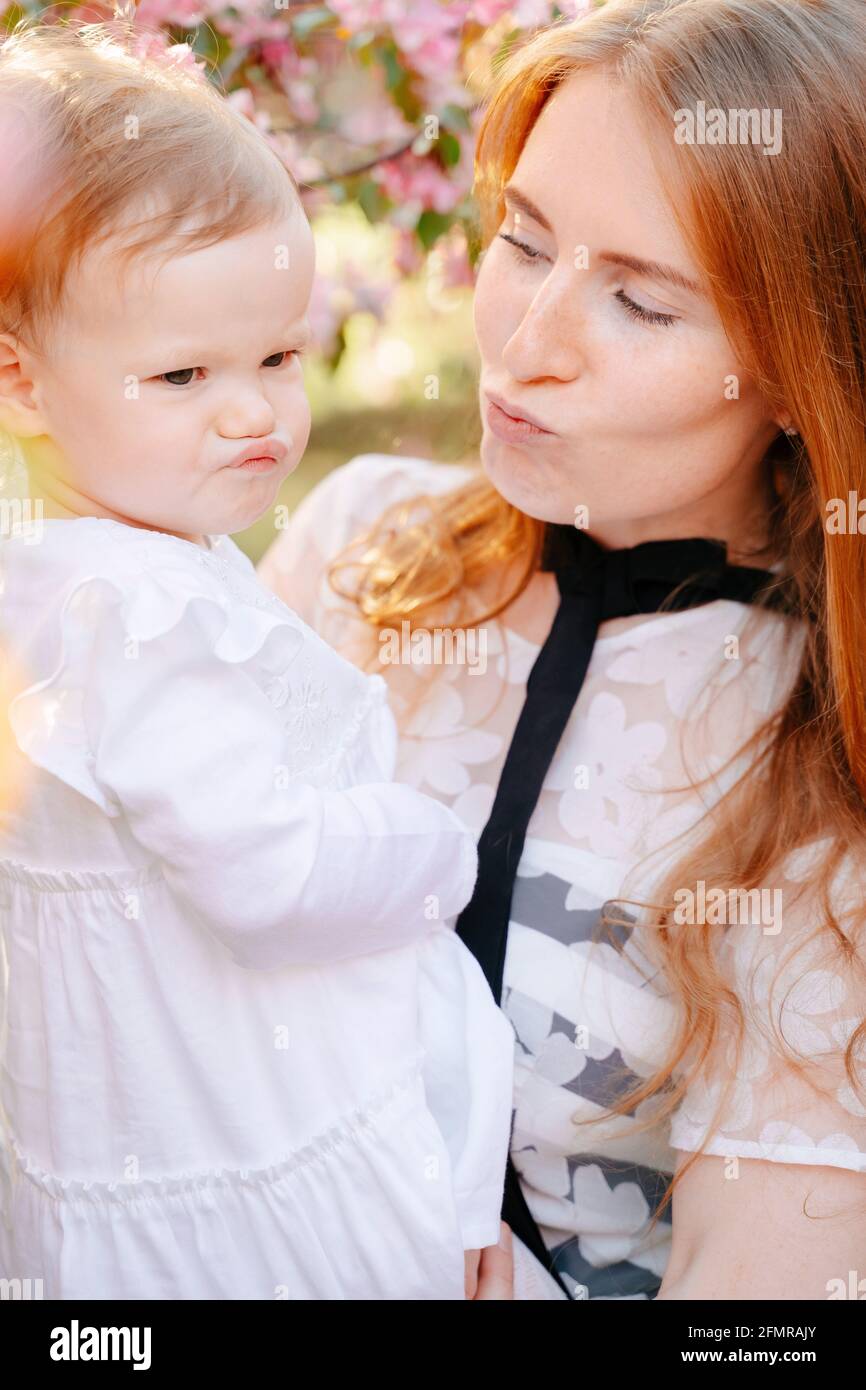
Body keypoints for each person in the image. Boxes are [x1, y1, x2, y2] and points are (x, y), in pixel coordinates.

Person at [259, 0, 866, 1299]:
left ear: (801, 367)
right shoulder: (354, 545)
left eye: (641, 304)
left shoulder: (819, 748)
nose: (525, 347)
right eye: (521, 243)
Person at [0, 17, 516, 1300]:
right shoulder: (134, 615)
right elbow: (269, 876)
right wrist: (434, 844)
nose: (255, 414)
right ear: (19, 381)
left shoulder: (91, 566)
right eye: (181, 374)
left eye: (279, 356)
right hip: (242, 1165)